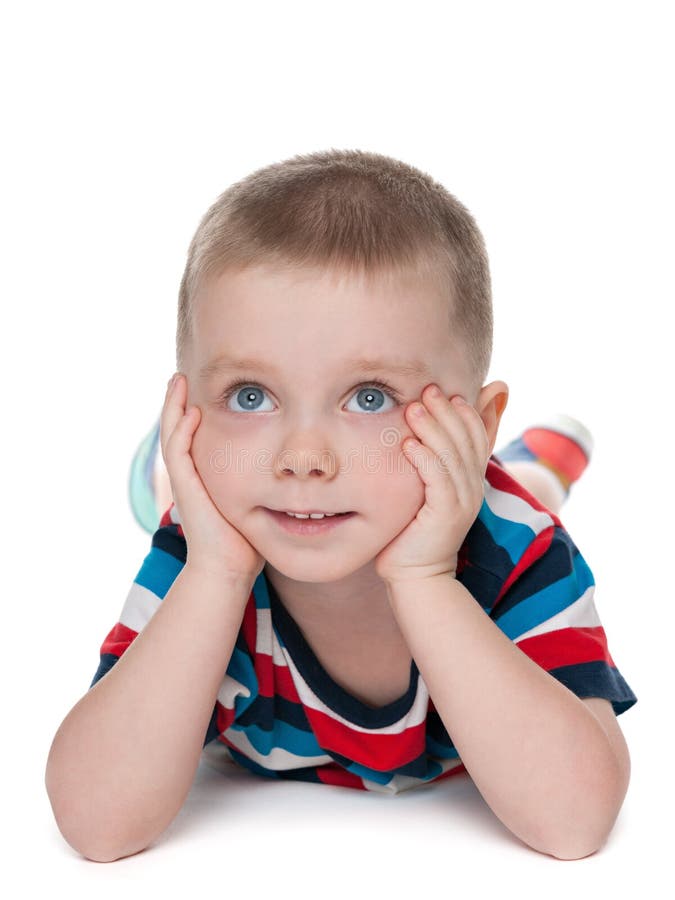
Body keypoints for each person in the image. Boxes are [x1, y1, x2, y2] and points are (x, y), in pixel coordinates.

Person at [45, 149, 637, 864]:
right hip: (240, 505)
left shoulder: (517, 552)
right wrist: (214, 574)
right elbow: (98, 825)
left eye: (368, 398)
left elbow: (572, 823)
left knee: (518, 493)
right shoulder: (206, 547)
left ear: (475, 426)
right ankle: (165, 472)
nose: (303, 456)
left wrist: (426, 580)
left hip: (477, 502)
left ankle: (532, 465)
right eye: (249, 396)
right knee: (202, 491)